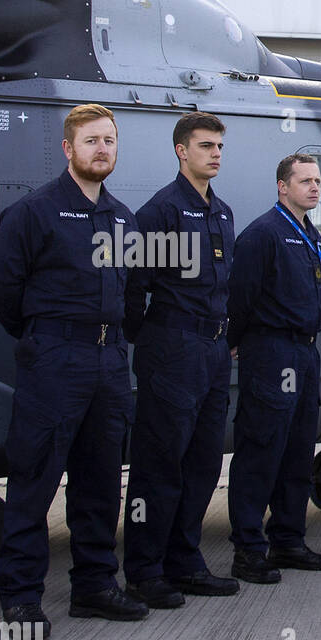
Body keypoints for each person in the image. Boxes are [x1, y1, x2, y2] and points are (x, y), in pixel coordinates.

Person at [0, 103, 149, 636]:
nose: (102, 149)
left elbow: (133, 296)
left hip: (108, 362)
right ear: (68, 149)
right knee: (35, 477)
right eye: (92, 141)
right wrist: (44, 341)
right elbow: (4, 293)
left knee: (100, 479)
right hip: (54, 360)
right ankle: (22, 594)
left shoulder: (123, 218)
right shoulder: (33, 213)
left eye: (110, 140)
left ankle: (95, 586)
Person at [121, 112, 239, 607]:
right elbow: (132, 290)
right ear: (181, 151)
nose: (214, 153)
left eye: (218, 146)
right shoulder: (160, 212)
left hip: (212, 353)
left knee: (203, 461)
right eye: (205, 145)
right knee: (158, 464)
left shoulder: (222, 212)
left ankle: (184, 560)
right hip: (172, 350)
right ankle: (145, 570)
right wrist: (156, 344)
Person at [226, 154, 321, 582]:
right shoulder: (263, 234)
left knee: (297, 450)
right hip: (272, 352)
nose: (313, 188)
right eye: (304, 181)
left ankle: (288, 539)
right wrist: (238, 341)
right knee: (260, 449)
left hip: (306, 353)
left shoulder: (311, 234)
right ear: (281, 186)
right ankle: (249, 549)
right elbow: (240, 296)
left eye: (317, 181)